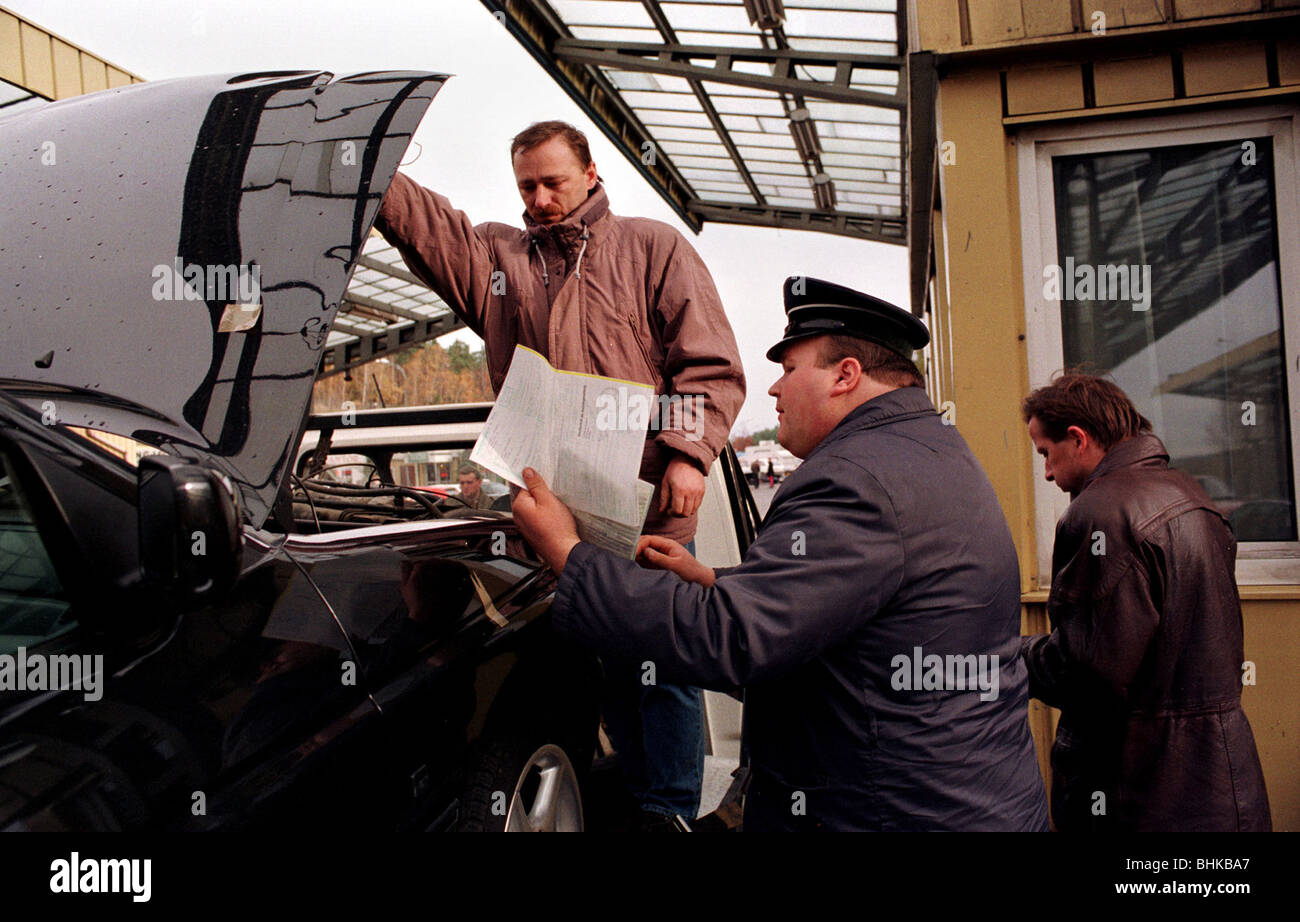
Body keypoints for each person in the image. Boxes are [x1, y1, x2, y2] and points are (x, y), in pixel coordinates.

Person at [513, 276, 1050, 831]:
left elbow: (733, 640)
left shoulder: (856, 479)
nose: (774, 389)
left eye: (790, 370)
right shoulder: (923, 448)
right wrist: (713, 581)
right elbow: (836, 614)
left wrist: (569, 552)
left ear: (846, 375)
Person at [374, 121, 746, 827]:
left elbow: (710, 364)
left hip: (647, 508)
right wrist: (376, 169)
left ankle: (668, 812)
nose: (540, 198)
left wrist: (689, 456)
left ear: (591, 174)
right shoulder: (496, 259)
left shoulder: (652, 246)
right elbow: (431, 227)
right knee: (599, 662)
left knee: (663, 665)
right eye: (527, 186)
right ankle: (628, 799)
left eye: (553, 182)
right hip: (558, 514)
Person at [1021, 374, 1271, 831]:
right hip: (1222, 779)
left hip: (1139, 788)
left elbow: (1086, 672)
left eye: (1045, 454)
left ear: (1077, 439)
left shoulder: (1100, 513)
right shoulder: (1193, 496)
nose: (1047, 473)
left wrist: (1007, 657)